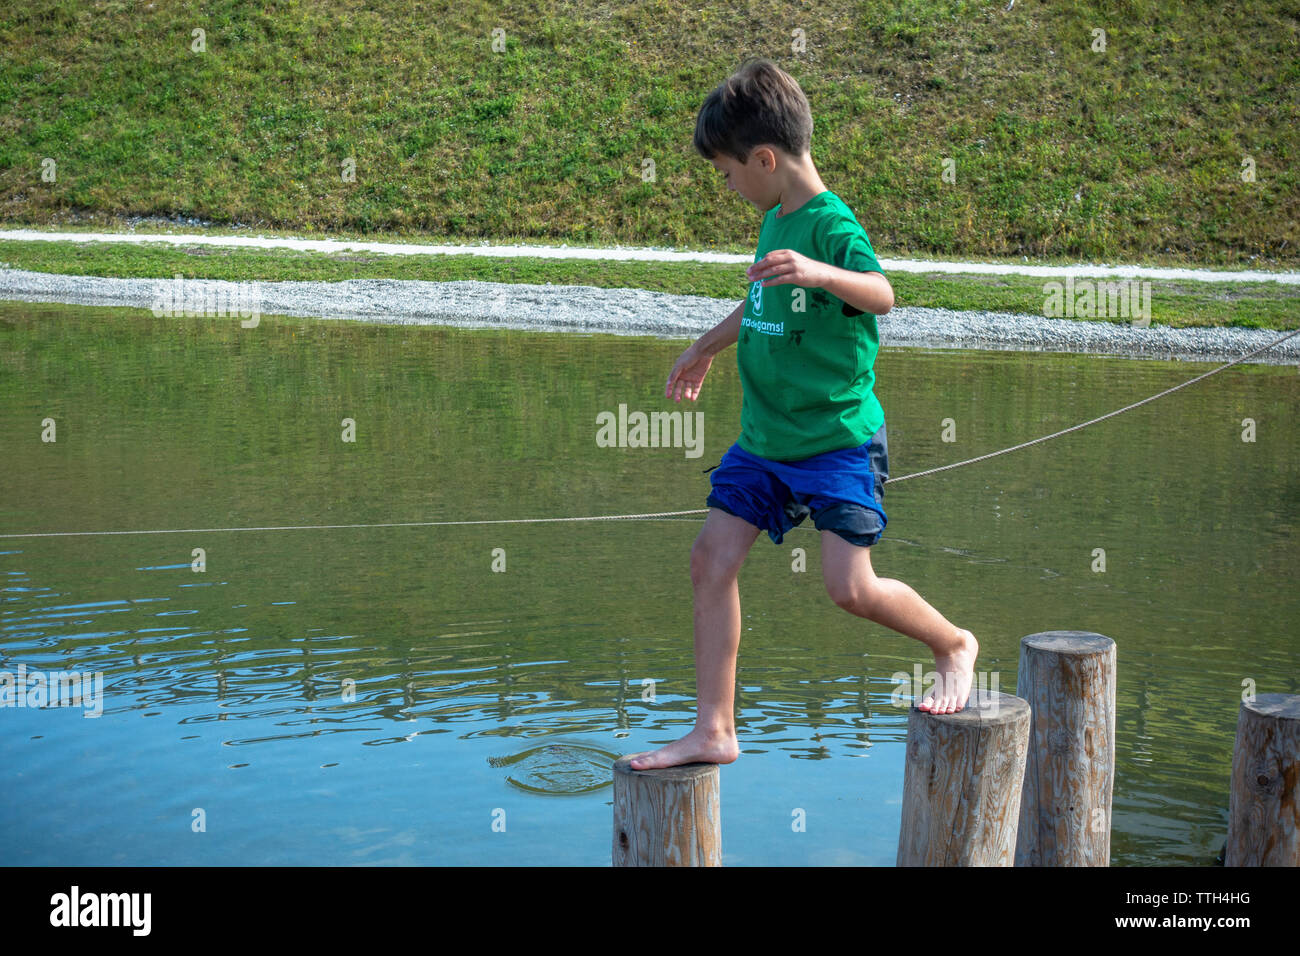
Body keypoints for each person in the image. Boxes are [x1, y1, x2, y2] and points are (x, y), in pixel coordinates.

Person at [628, 58, 978, 771]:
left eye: (727, 172)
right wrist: (705, 346)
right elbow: (760, 304)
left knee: (850, 588)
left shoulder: (828, 223)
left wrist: (822, 272)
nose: (727, 186)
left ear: (765, 158)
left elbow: (880, 293)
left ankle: (952, 644)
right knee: (709, 560)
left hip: (835, 442)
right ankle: (715, 730)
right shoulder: (775, 220)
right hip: (765, 441)